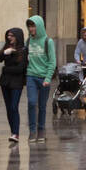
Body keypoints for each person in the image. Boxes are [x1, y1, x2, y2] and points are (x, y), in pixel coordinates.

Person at [24, 15, 56, 143]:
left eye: (33, 26)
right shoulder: (28, 41)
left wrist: (48, 77)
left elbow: (52, 62)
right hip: (31, 75)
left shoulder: (48, 41)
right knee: (32, 103)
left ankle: (41, 130)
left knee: (42, 106)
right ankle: (32, 131)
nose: (31, 29)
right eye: (30, 26)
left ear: (40, 26)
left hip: (44, 78)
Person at [0, 27, 27, 142]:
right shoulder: (6, 48)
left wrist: (5, 69)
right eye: (8, 35)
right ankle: (13, 132)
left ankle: (16, 133)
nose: (9, 38)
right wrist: (5, 53)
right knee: (9, 108)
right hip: (5, 82)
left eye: (12, 36)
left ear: (18, 37)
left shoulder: (23, 50)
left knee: (14, 107)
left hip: (17, 83)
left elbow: (20, 69)